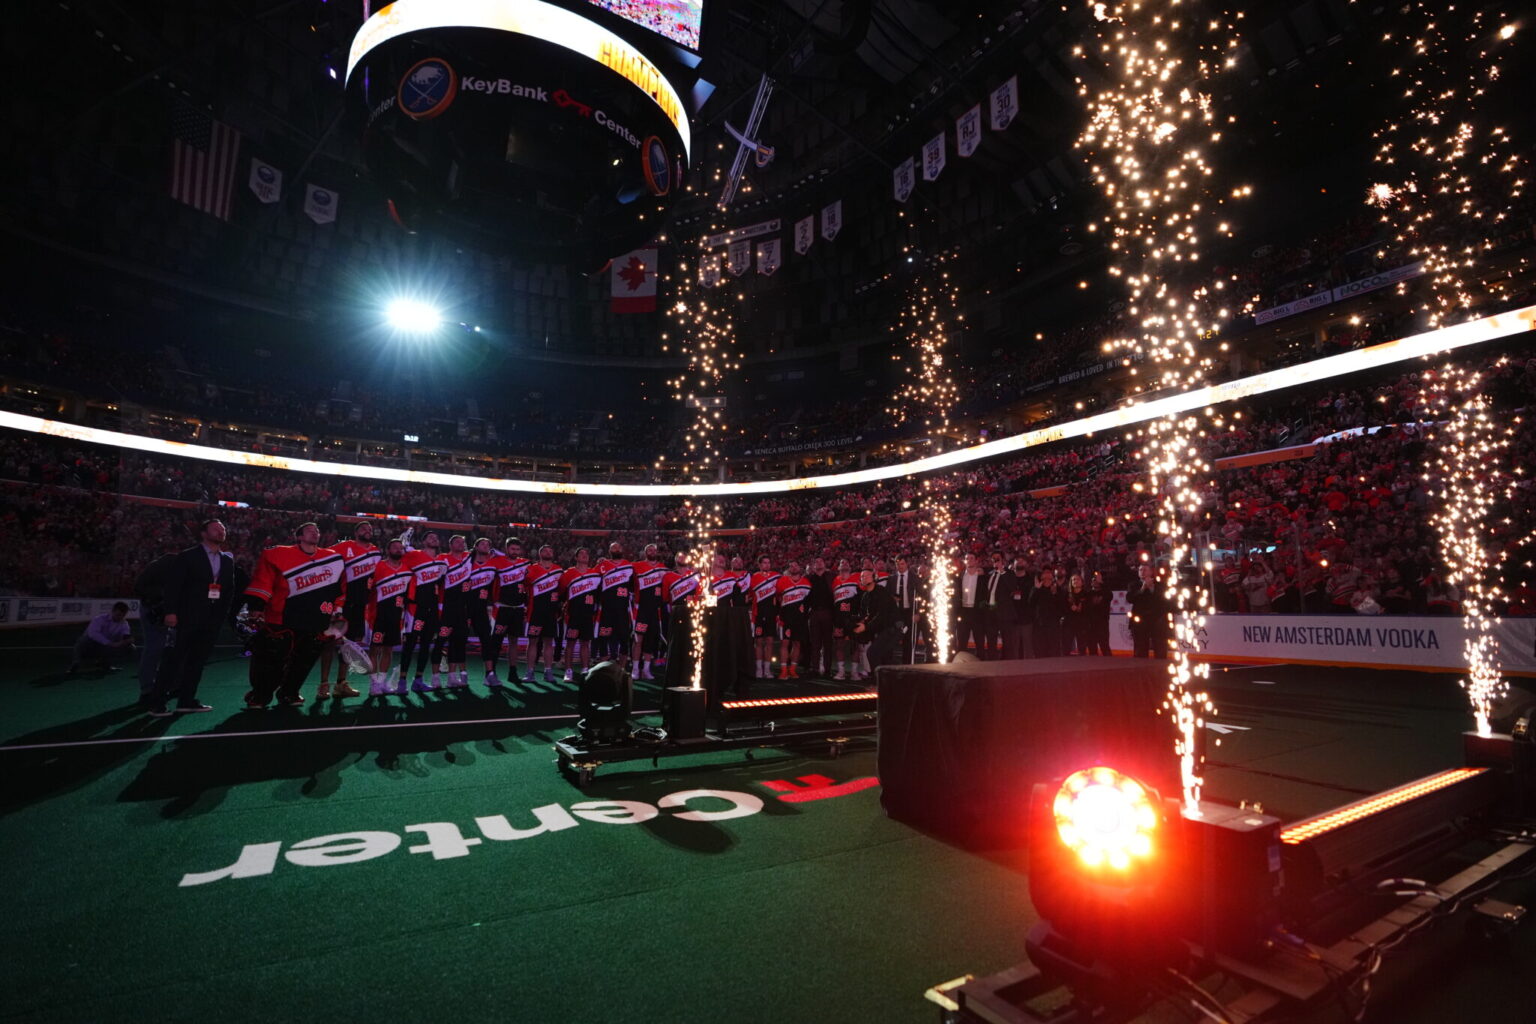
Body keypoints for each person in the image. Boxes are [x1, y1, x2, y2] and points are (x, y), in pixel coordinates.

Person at [242, 522, 348, 709]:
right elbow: (263, 580)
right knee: (271, 660)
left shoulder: (333, 559)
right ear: (299, 536)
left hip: (316, 620)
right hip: (282, 617)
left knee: (304, 661)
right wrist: (257, 606)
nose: (315, 532)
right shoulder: (277, 554)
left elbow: (340, 590)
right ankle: (260, 696)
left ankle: (289, 693)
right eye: (309, 530)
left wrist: (337, 611)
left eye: (317, 530)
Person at [145, 518, 237, 716]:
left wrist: (221, 615)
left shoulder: (227, 560)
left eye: (222, 529)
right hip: (186, 617)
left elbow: (228, 590)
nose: (221, 532)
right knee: (173, 660)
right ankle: (157, 702)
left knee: (197, 662)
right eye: (215, 529)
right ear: (203, 534)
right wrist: (171, 611)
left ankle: (186, 700)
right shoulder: (188, 556)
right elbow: (174, 586)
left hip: (211, 620)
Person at [318, 522, 379, 700]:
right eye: (363, 529)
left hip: (360, 605)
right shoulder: (344, 547)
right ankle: (323, 684)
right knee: (329, 643)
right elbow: (323, 560)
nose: (367, 531)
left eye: (370, 529)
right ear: (355, 532)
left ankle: (341, 684)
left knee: (348, 646)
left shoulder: (375, 552)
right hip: (341, 602)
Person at [399, 530, 448, 693]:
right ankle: (402, 681)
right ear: (423, 541)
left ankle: (418, 679)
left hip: (432, 607)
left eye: (436, 537)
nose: (435, 539)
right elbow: (399, 555)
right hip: (415, 606)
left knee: (427, 644)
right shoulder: (414, 555)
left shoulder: (442, 560)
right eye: (430, 537)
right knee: (410, 644)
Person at [366, 536, 411, 696]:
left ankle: (382, 682)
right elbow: (368, 591)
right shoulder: (377, 567)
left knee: (388, 649)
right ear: (387, 550)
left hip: (396, 616)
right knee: (374, 650)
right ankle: (373, 684)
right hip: (377, 616)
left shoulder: (407, 569)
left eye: (401, 547)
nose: (398, 549)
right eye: (395, 547)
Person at [455, 538, 500, 688]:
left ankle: (490, 674)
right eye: (482, 543)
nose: (486, 546)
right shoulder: (466, 561)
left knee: (487, 640)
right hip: (464, 607)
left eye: (488, 544)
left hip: (481, 608)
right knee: (460, 640)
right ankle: (462, 674)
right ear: (475, 547)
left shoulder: (494, 563)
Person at [133, 552, 176, 706]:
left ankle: (167, 685)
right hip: (155, 609)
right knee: (154, 648)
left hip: (170, 610)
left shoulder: (181, 566)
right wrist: (162, 597)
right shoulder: (163, 565)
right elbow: (139, 587)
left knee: (172, 649)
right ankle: (147, 690)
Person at [485, 536, 530, 684]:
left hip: (518, 609)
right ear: (506, 549)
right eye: (512, 548)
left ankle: (512, 672)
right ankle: (491, 673)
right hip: (501, 608)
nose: (515, 551)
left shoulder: (525, 563)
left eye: (517, 549)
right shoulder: (496, 562)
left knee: (514, 642)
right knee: (496, 642)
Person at [433, 535, 473, 688]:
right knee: (440, 642)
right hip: (446, 607)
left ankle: (452, 676)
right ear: (450, 544)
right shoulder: (443, 558)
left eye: (463, 542)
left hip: (462, 608)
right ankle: (435, 677)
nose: (461, 544)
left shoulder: (469, 558)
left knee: (458, 643)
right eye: (457, 541)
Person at [560, 548, 601, 682]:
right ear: (576, 557)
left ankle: (585, 670)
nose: (584, 556)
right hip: (573, 615)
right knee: (570, 644)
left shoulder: (595, 574)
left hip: (588, 615)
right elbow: (561, 592)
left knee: (585, 643)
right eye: (581, 554)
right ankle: (568, 671)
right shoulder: (568, 573)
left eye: (587, 554)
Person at [525, 546, 565, 683]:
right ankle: (530, 672)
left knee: (549, 642)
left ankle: (548, 671)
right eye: (545, 550)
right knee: (533, 642)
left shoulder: (559, 570)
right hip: (535, 611)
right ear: (540, 553)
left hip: (551, 612)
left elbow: (562, 591)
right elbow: (524, 587)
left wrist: (560, 607)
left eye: (550, 551)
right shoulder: (531, 569)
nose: (548, 552)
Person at [852, 569, 898, 682]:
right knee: (884, 657)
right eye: (862, 576)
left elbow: (881, 615)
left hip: (891, 628)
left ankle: (877, 681)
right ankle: (885, 684)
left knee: (873, 653)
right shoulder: (865, 597)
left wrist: (866, 627)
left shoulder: (881, 592)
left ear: (874, 578)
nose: (865, 577)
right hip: (879, 629)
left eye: (868, 575)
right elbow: (864, 615)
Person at [595, 542, 634, 668]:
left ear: (622, 549)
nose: (616, 549)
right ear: (609, 551)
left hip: (623, 608)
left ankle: (622, 668)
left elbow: (635, 585)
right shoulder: (602, 565)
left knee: (624, 639)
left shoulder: (629, 565)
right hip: (606, 608)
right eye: (613, 547)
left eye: (618, 547)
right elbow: (593, 580)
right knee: (603, 638)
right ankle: (604, 668)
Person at [631, 544, 666, 680]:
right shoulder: (636, 566)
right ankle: (635, 669)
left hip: (655, 610)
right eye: (649, 550)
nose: (652, 551)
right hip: (641, 609)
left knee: (651, 641)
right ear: (645, 552)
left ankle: (646, 669)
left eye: (654, 550)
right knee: (638, 639)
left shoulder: (663, 568)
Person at [70, 602, 134, 674]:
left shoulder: (124, 623)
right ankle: (76, 663)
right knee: (82, 641)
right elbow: (93, 634)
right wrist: (110, 643)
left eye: (123, 615)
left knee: (130, 647)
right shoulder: (99, 619)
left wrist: (128, 641)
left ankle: (105, 663)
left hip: (106, 646)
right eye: (118, 615)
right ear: (112, 611)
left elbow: (126, 635)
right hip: (92, 643)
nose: (120, 617)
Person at [776, 560, 810, 680]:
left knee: (797, 643)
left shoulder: (806, 582)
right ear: (788, 569)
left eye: (795, 565)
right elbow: (777, 597)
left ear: (800, 567)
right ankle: (784, 670)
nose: (793, 567)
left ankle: (792, 670)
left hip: (799, 619)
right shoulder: (782, 581)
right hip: (785, 617)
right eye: (791, 565)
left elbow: (809, 600)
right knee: (785, 643)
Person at [748, 555, 781, 679]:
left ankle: (767, 670)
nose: (767, 565)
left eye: (768, 562)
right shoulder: (754, 578)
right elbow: (749, 595)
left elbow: (781, 593)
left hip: (772, 614)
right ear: (760, 565)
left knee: (770, 642)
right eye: (764, 563)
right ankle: (758, 669)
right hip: (759, 614)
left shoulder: (777, 576)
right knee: (759, 642)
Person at [1128, 564, 1169, 659]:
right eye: (1140, 570)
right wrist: (1142, 589)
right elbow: (1130, 599)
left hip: (1157, 620)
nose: (1142, 572)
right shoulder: (1133, 585)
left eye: (1145, 570)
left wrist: (1151, 588)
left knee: (1160, 648)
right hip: (1139, 621)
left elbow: (1164, 600)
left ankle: (1160, 668)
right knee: (1140, 649)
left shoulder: (1160, 585)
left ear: (1151, 572)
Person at [805, 556, 835, 676]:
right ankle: (815, 668)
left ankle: (827, 669)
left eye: (821, 561)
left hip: (828, 612)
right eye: (816, 562)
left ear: (825, 563)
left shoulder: (831, 577)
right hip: (814, 613)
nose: (819, 563)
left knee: (828, 643)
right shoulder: (809, 579)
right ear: (813, 566)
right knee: (815, 642)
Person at [831, 558, 860, 680]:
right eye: (842, 563)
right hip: (839, 619)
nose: (844, 564)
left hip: (853, 618)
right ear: (838, 568)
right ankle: (841, 671)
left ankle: (854, 672)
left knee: (855, 645)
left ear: (850, 567)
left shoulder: (857, 578)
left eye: (847, 562)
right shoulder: (834, 581)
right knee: (839, 645)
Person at [953, 553, 985, 659]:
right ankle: (961, 668)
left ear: (976, 561)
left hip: (978, 612)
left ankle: (982, 669)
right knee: (962, 643)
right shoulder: (959, 576)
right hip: (963, 612)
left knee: (980, 642)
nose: (969, 560)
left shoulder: (983, 576)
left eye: (972, 558)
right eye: (967, 558)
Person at [1000, 559, 1034, 659]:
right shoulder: (1007, 579)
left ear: (1026, 564)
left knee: (1028, 646)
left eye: (1022, 561)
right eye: (1017, 561)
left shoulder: (1031, 580)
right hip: (1011, 617)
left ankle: (1030, 670)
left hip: (1026, 618)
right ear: (1013, 564)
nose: (1020, 563)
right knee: (1013, 647)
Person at [890, 555, 920, 663]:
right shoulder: (892, 578)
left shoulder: (915, 578)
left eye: (902, 563)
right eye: (897, 564)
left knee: (908, 641)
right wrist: (892, 598)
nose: (900, 566)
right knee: (892, 640)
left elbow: (921, 597)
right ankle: (891, 666)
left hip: (910, 613)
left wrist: (918, 613)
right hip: (896, 614)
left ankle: (907, 665)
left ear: (907, 564)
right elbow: (888, 596)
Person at [1030, 568, 1065, 657]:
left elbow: (1062, 606)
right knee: (1040, 649)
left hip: (1053, 625)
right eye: (1044, 574)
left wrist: (1055, 594)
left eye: (1049, 575)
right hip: (1039, 624)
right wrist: (1036, 589)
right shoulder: (1037, 589)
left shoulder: (1057, 589)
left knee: (1054, 650)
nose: (1047, 577)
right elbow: (1030, 603)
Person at [982, 551, 1008, 659]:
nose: (996, 561)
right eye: (994, 559)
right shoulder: (989, 574)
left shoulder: (1009, 574)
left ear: (1003, 561)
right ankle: (991, 661)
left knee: (1006, 640)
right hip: (990, 610)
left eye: (998, 559)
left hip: (1002, 611)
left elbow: (1010, 587)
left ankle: (1005, 662)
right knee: (991, 639)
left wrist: (1002, 571)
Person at [1084, 571, 1112, 656]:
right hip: (1090, 625)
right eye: (1093, 580)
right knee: (1092, 649)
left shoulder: (1106, 593)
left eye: (1097, 580)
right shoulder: (1088, 594)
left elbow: (1109, 595)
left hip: (1102, 624)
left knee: (1105, 647)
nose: (1095, 582)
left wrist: (1102, 583)